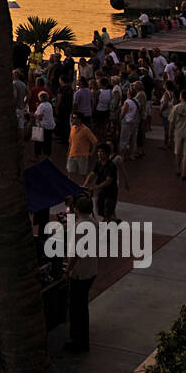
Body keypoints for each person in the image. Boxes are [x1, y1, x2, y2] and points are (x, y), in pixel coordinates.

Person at [64, 193, 97, 354]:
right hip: (90, 270)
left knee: (76, 309)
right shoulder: (93, 223)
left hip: (80, 273)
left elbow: (76, 254)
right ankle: (82, 340)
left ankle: (78, 342)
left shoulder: (80, 227)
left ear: (76, 209)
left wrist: (67, 270)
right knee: (82, 308)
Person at [86, 142, 119, 223]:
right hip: (101, 191)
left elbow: (108, 181)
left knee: (108, 210)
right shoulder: (98, 163)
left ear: (107, 154)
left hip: (110, 192)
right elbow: (92, 174)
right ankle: (111, 221)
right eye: (98, 151)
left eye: (102, 152)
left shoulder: (111, 166)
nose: (99, 154)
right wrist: (85, 184)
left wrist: (95, 188)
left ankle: (109, 225)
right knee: (100, 210)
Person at [66, 113, 97, 182]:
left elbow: (94, 142)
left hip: (82, 155)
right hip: (72, 154)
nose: (72, 119)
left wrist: (91, 153)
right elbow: (70, 142)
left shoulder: (86, 130)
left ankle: (85, 187)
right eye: (72, 118)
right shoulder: (72, 128)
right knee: (70, 172)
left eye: (74, 118)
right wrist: (68, 152)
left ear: (79, 120)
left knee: (83, 174)